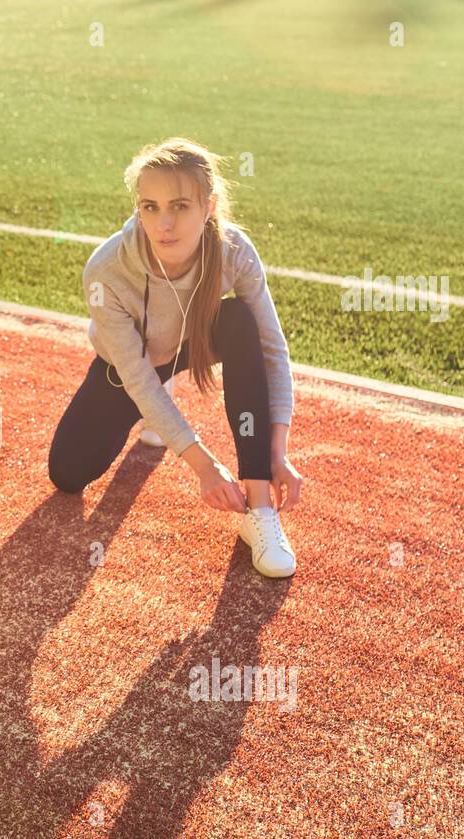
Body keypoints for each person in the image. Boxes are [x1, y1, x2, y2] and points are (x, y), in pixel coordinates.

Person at [48, 138, 304, 577]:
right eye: (150, 206)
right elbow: (137, 378)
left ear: (209, 206)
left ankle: (259, 509)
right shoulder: (106, 270)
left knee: (242, 322)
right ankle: (158, 411)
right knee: (67, 474)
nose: (163, 223)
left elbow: (272, 348)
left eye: (180, 206)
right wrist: (205, 466)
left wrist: (275, 451)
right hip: (129, 366)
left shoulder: (234, 250)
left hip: (192, 339)